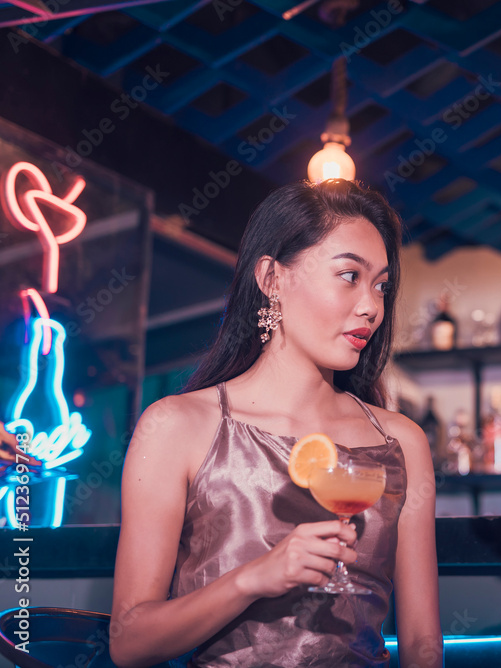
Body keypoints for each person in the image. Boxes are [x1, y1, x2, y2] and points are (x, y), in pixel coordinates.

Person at [110, 179, 443, 667]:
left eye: (382, 285)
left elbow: (421, 647)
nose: (372, 305)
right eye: (349, 275)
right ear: (271, 278)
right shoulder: (177, 426)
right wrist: (254, 578)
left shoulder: (401, 441)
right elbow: (129, 641)